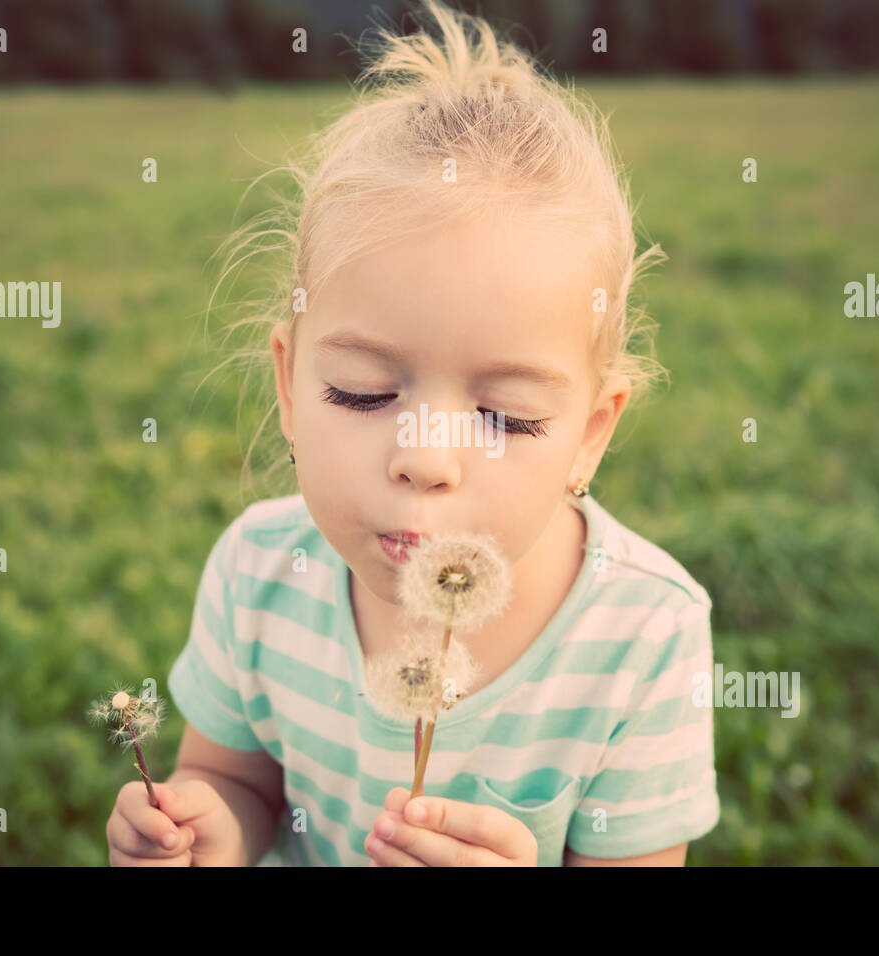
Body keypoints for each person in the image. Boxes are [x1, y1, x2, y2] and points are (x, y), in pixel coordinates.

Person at [107, 0, 718, 867]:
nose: (424, 458)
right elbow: (238, 780)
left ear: (589, 434)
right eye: (361, 394)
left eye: (505, 417)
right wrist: (206, 831)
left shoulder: (642, 636)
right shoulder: (257, 577)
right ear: (288, 385)